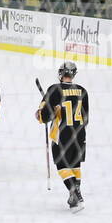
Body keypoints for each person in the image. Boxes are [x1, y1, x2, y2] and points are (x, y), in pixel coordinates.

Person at [35, 61, 90, 211]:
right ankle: (74, 195)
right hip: (79, 134)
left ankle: (76, 195)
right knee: (75, 165)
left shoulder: (54, 89)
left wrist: (42, 115)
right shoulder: (83, 91)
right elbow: (86, 119)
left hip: (62, 134)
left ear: (61, 73)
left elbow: (43, 116)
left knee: (62, 166)